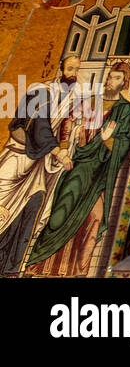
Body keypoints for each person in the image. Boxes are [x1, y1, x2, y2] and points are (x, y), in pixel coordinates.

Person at [26, 62, 130, 276]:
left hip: (100, 173)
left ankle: (79, 271)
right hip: (79, 165)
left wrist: (107, 141)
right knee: (61, 213)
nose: (110, 81)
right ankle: (36, 265)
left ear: (125, 83)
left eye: (116, 78)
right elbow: (68, 122)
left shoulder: (125, 110)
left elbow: (124, 142)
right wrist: (65, 148)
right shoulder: (91, 102)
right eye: (110, 76)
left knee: (95, 218)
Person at [0, 54, 79, 274]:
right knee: (2, 207)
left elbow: (65, 127)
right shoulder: (41, 92)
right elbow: (40, 127)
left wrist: (65, 147)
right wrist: (59, 154)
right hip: (18, 158)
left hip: (39, 164)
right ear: (59, 70)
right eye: (70, 68)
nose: (73, 74)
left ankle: (10, 268)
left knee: (31, 209)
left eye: (77, 70)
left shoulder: (68, 98)